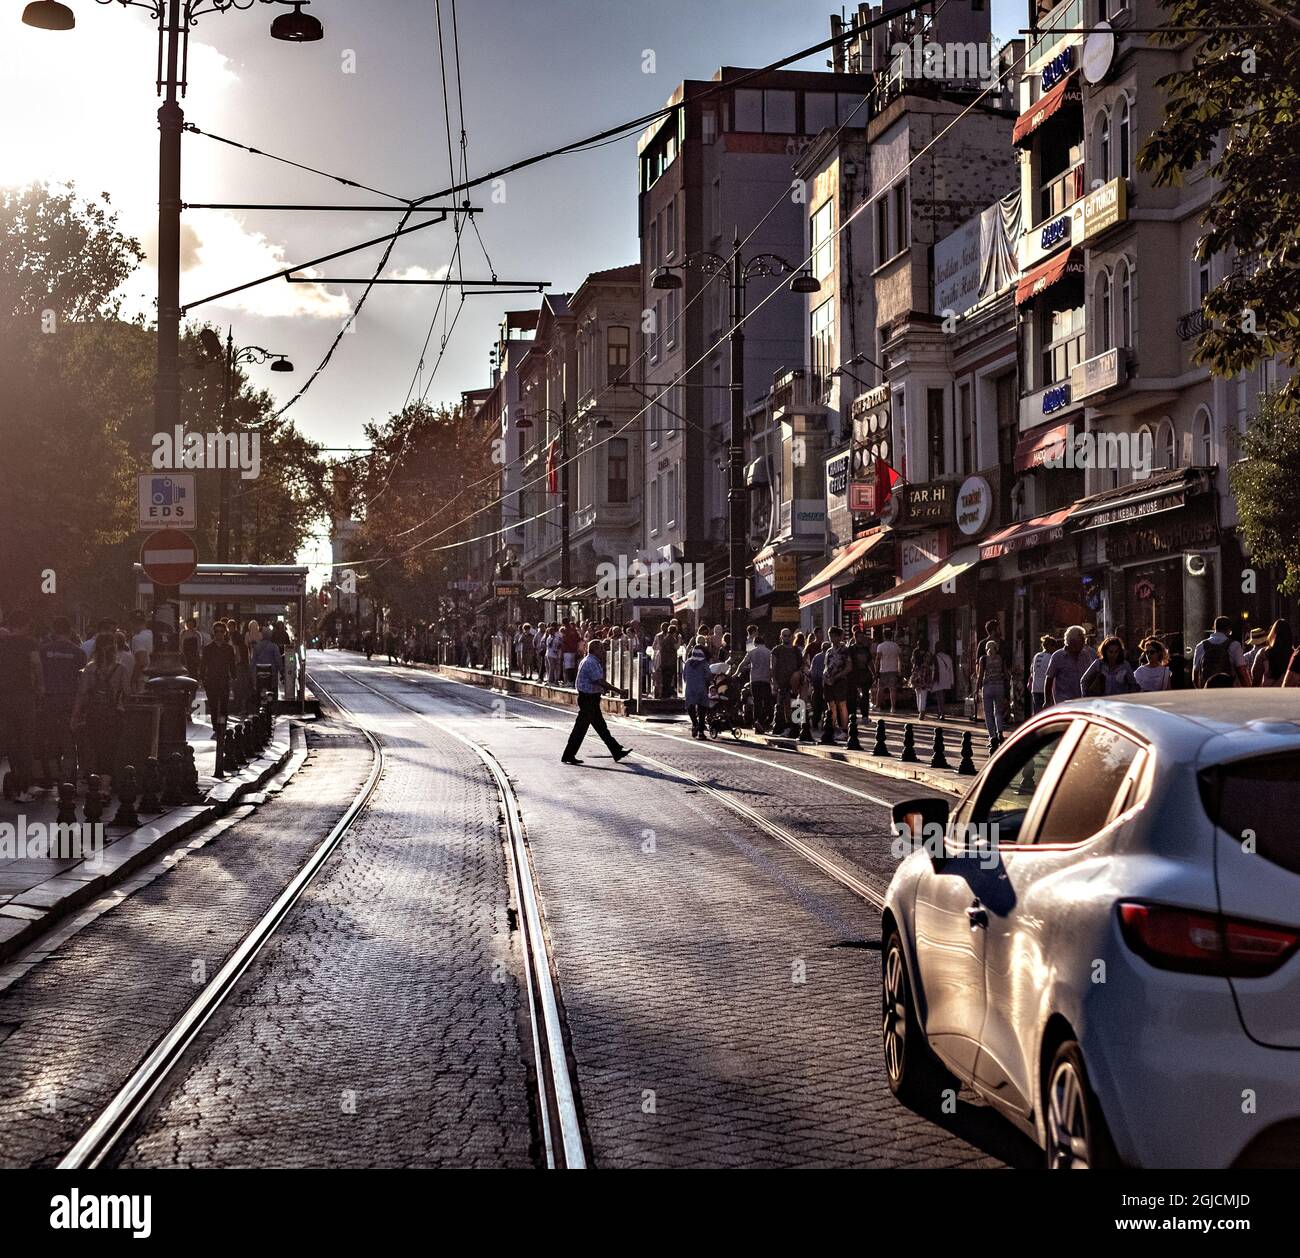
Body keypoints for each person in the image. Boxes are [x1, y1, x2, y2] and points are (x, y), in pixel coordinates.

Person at [560, 640, 633, 765]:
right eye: (600, 649)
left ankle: (616, 751)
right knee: (581, 729)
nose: (602, 651)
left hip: (590, 698)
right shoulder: (591, 662)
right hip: (588, 699)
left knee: (600, 727)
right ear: (594, 650)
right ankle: (568, 755)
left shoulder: (590, 660)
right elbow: (599, 681)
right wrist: (618, 691)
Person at [72, 632, 128, 791]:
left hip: (93, 715)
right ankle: (104, 788)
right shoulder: (121, 669)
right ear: (115, 648)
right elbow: (127, 693)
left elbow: (81, 694)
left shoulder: (90, 668)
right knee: (109, 751)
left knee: (94, 749)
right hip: (113, 716)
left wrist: (75, 716)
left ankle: (94, 785)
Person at [37, 617, 86, 789]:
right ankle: (68, 779)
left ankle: (52, 775)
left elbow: (37, 674)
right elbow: (82, 680)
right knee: (69, 740)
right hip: (70, 701)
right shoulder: (78, 652)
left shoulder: (44, 651)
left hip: (49, 700)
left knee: (50, 739)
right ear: (70, 630)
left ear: (54, 631)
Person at [0, 610, 44, 800]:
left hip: (4, 696)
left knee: (10, 739)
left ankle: (15, 778)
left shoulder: (2, 643)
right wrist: (40, 687)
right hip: (24, 695)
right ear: (26, 624)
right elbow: (36, 665)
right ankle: (24, 786)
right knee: (26, 739)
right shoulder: (29, 643)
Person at [201, 621, 238, 736]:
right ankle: (216, 728)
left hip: (224, 680)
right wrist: (202, 678)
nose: (219, 634)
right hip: (211, 680)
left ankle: (222, 727)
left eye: (221, 631)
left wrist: (234, 677)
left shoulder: (228, 649)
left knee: (223, 705)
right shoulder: (208, 649)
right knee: (213, 705)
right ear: (213, 632)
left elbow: (232, 665)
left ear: (225, 633)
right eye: (216, 631)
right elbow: (203, 664)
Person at [1192, 616, 1251, 688]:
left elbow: (1195, 676)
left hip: (1208, 689)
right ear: (1229, 630)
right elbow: (1241, 672)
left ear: (1214, 628)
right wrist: (1248, 688)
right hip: (1228, 688)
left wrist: (1201, 691)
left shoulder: (1200, 646)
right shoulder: (1234, 645)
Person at [974, 638, 1008, 750]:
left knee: (988, 714)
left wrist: (976, 689)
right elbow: (1006, 674)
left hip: (987, 687)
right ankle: (1000, 732)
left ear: (986, 649)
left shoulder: (983, 659)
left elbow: (980, 675)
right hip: (999, 687)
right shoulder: (1001, 658)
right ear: (996, 648)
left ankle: (992, 737)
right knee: (998, 712)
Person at [1045, 625, 1090, 706]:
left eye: (1084, 641)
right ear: (1071, 642)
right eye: (1080, 642)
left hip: (1082, 702)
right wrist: (1047, 701)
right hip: (1064, 702)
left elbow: (1091, 677)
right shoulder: (1058, 656)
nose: (1083, 645)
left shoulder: (1085, 655)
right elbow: (1049, 679)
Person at [769, 628, 803, 735]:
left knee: (796, 703)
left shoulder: (796, 650)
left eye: (788, 635)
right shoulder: (777, 650)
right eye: (784, 636)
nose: (787, 638)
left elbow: (801, 665)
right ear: (781, 637)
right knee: (785, 705)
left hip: (795, 682)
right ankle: (787, 726)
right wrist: (774, 682)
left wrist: (799, 676)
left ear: (792, 636)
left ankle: (796, 727)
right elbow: (773, 667)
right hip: (782, 681)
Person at [822, 626, 853, 738]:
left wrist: (837, 676)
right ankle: (831, 727)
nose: (832, 638)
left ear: (839, 637)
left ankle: (844, 730)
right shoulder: (829, 651)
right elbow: (826, 666)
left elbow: (849, 667)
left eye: (834, 636)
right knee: (831, 705)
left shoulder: (845, 650)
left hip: (840, 680)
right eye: (830, 636)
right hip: (828, 680)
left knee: (841, 704)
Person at [740, 632, 773, 732]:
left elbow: (743, 664)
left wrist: (736, 673)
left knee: (757, 702)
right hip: (766, 680)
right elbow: (772, 667)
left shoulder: (752, 652)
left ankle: (756, 722)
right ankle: (762, 721)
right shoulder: (769, 652)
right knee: (767, 702)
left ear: (755, 643)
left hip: (754, 680)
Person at [1251, 619, 1294, 688]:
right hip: (1289, 692)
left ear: (1273, 634)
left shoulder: (1264, 653)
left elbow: (1256, 678)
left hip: (1268, 692)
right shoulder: (1295, 655)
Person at [683, 643, 712, 739]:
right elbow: (708, 675)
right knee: (702, 709)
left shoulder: (687, 663)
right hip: (701, 688)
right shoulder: (704, 663)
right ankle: (701, 731)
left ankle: (695, 723)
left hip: (690, 688)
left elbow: (684, 676)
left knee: (690, 707)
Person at [873, 627, 902, 715]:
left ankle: (878, 706)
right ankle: (893, 707)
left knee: (880, 689)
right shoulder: (896, 646)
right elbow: (900, 659)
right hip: (894, 670)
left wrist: (876, 670)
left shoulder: (880, 646)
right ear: (891, 635)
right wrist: (899, 670)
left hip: (883, 670)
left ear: (884, 636)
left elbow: (878, 659)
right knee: (893, 689)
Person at [848, 625, 875, 720]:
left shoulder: (865, 649)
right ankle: (852, 714)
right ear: (855, 638)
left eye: (862, 637)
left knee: (865, 695)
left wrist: (874, 673)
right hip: (853, 675)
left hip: (864, 674)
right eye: (859, 637)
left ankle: (865, 715)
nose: (861, 639)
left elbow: (870, 662)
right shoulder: (851, 649)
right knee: (853, 695)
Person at [908, 642, 935, 721]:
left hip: (916, 674)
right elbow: (931, 663)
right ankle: (922, 711)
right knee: (923, 694)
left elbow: (912, 661)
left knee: (917, 693)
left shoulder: (915, 652)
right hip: (925, 674)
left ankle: (919, 710)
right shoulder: (928, 654)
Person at [1030, 635, 1056, 714]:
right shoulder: (1051, 657)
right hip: (1046, 689)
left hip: (1035, 688)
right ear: (1050, 646)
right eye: (1054, 647)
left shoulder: (1036, 656)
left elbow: (1032, 670)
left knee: (1037, 713)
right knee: (1047, 713)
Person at [129, 612, 154, 691]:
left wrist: (133, 679)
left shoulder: (137, 638)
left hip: (143, 680)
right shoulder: (153, 635)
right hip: (155, 678)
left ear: (132, 623)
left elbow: (142, 661)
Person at [932, 643, 954, 720]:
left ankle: (941, 712)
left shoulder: (935, 657)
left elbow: (933, 669)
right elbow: (951, 670)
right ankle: (941, 712)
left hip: (938, 679)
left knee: (939, 696)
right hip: (946, 678)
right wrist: (952, 681)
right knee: (942, 696)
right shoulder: (948, 657)